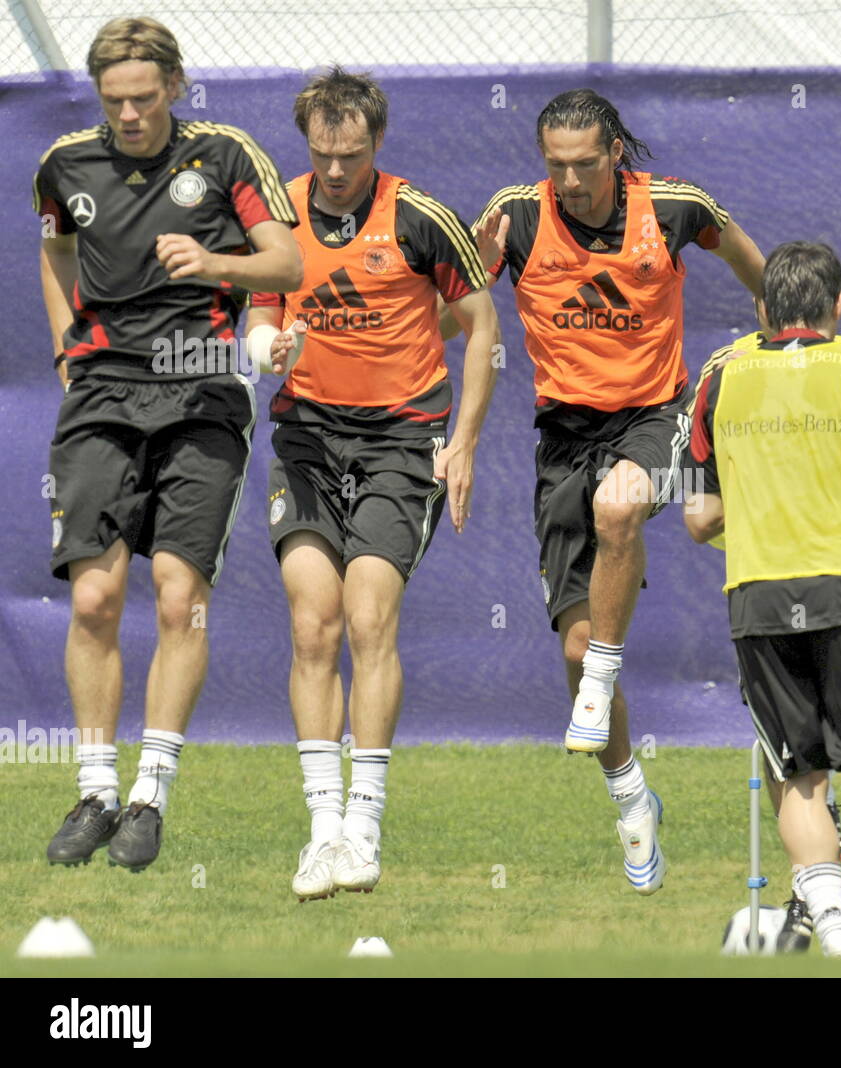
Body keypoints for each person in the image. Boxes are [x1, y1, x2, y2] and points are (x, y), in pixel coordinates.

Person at [463, 88, 765, 894]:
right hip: (563, 439)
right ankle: (632, 797)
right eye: (555, 165)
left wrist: (783, 348)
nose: (569, 179)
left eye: (584, 164)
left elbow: (758, 272)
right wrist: (468, 258)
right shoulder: (517, 216)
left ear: (615, 154)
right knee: (570, 643)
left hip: (656, 417)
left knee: (621, 502)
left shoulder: (673, 209)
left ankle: (600, 675)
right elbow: (444, 307)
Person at [36, 17, 301, 872]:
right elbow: (56, 250)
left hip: (202, 388)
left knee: (181, 592)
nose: (129, 116)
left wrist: (215, 264)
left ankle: (151, 793)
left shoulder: (226, 155)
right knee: (93, 602)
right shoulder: (65, 163)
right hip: (104, 393)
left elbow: (288, 265)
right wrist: (63, 349)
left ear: (176, 88)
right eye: (114, 101)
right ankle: (94, 791)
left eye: (144, 100)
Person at [244, 67, 499, 901]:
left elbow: (481, 321)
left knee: (365, 615)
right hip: (308, 435)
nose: (337, 169)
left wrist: (461, 440)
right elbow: (257, 306)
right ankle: (322, 834)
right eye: (323, 152)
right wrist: (263, 348)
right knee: (311, 623)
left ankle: (365, 824)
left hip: (403, 437)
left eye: (351, 153)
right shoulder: (276, 211)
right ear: (306, 143)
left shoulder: (421, 218)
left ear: (377, 143)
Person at [685, 241, 841, 956]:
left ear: (762, 309)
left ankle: (834, 929)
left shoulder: (720, 379)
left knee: (797, 776)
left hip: (757, 594)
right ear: (839, 305)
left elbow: (699, 518)